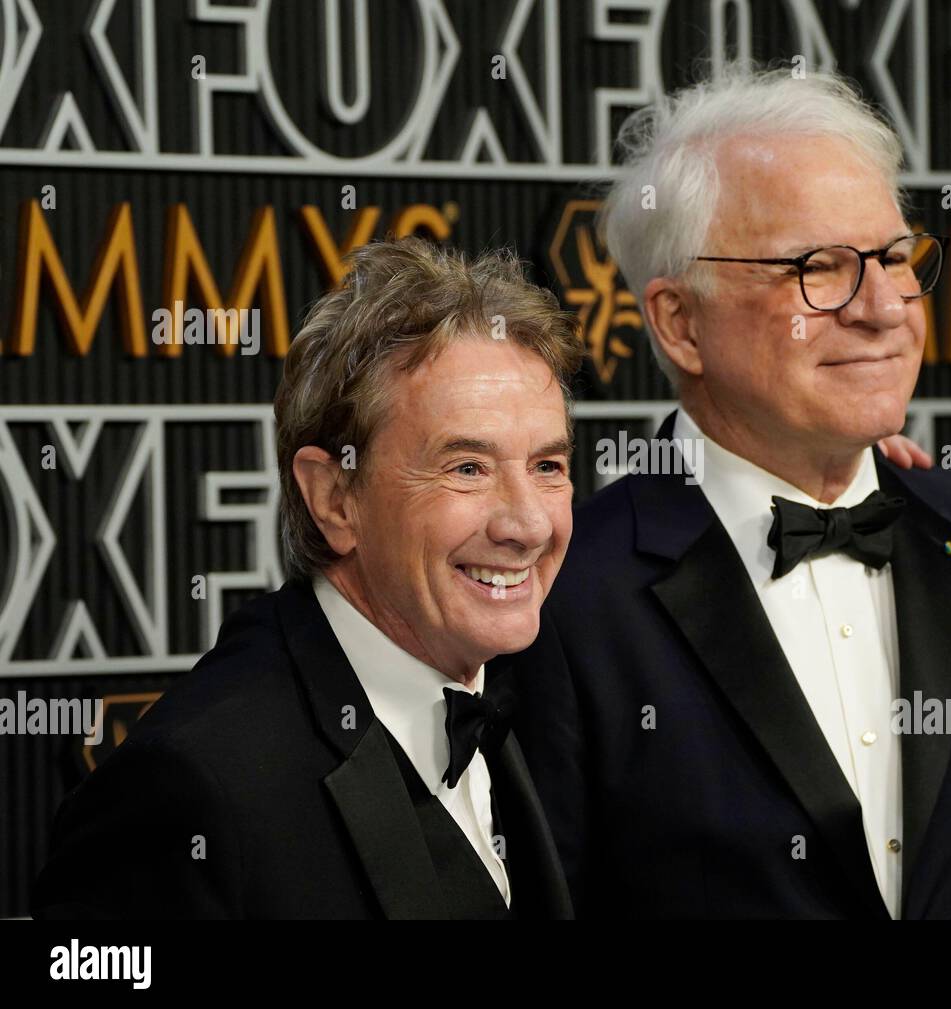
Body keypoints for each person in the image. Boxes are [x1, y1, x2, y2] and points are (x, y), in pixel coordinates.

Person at [491, 66, 951, 919]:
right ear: (680, 322)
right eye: (817, 268)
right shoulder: (567, 598)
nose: (882, 307)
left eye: (894, 257)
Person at [33, 238, 582, 918]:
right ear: (333, 498)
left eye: (548, 467)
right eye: (467, 467)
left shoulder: (502, 693)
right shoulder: (190, 787)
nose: (527, 524)